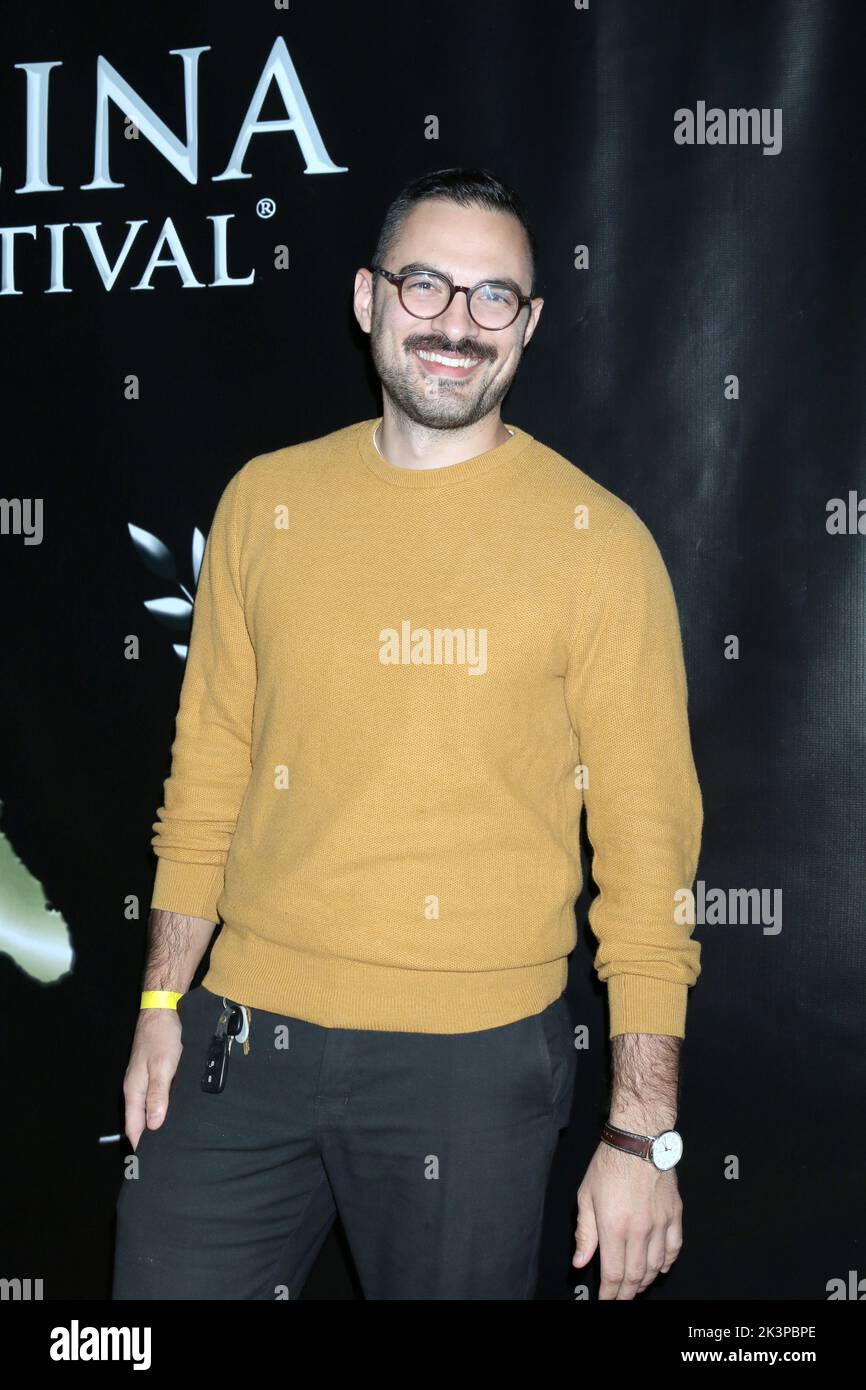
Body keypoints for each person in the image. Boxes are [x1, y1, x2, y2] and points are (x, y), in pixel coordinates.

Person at [112, 167, 703, 1301]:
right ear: (365, 298)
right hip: (241, 1041)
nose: (455, 323)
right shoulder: (262, 503)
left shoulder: (598, 545)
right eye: (424, 283)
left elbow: (646, 859)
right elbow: (208, 778)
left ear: (528, 326)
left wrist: (641, 1138)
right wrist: (157, 1007)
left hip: (469, 1071)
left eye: (493, 298)